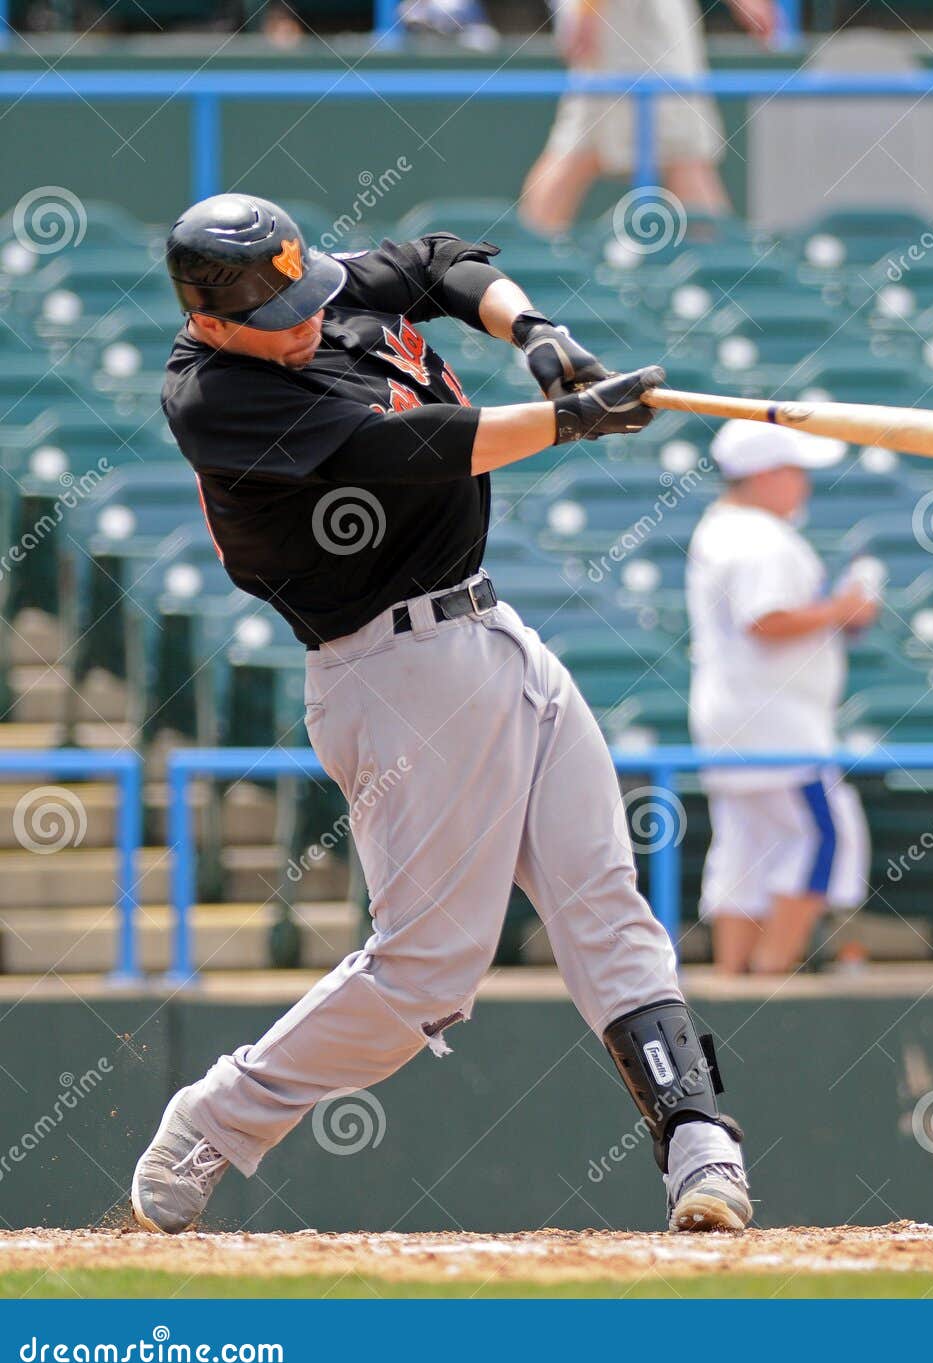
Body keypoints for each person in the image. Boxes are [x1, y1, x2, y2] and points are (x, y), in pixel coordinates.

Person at [133, 193, 751, 1235]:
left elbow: (438, 261)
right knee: (428, 973)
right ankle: (216, 1120)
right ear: (210, 314)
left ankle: (698, 1142)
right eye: (274, 310)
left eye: (304, 295)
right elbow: (401, 452)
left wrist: (539, 334)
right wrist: (571, 421)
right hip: (393, 668)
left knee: (603, 898)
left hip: (492, 630)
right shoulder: (212, 393)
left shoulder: (314, 295)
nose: (304, 318)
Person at [685, 420, 878, 975]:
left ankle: (733, 982)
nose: (803, 485)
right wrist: (844, 608)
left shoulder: (723, 528)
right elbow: (764, 620)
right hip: (772, 719)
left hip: (737, 712)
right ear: (766, 474)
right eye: (795, 472)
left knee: (746, 847)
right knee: (825, 836)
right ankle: (771, 975)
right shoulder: (758, 537)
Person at [520, 0, 776, 234]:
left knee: (588, 143)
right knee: (682, 153)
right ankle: (723, 267)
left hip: (635, 16)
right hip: (627, 17)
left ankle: (523, 259)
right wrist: (588, 9)